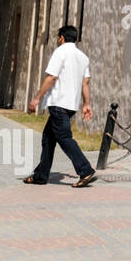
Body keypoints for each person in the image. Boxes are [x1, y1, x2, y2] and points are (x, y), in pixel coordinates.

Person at [23, 25, 97, 187]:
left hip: (59, 103)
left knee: (64, 137)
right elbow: (85, 82)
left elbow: (51, 77)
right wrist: (87, 104)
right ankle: (40, 175)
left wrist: (36, 98)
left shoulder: (61, 52)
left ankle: (85, 170)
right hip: (71, 105)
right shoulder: (83, 57)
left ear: (62, 37)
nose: (58, 40)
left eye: (58, 37)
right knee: (48, 138)